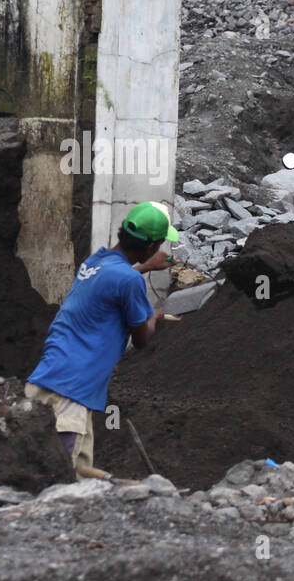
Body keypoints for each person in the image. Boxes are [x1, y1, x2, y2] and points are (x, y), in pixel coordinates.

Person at [24, 201, 178, 480]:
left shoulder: (94, 262)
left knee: (37, 475)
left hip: (44, 383)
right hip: (71, 396)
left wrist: (144, 267)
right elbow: (141, 338)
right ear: (151, 247)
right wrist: (154, 317)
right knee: (62, 482)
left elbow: (111, 281)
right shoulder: (130, 281)